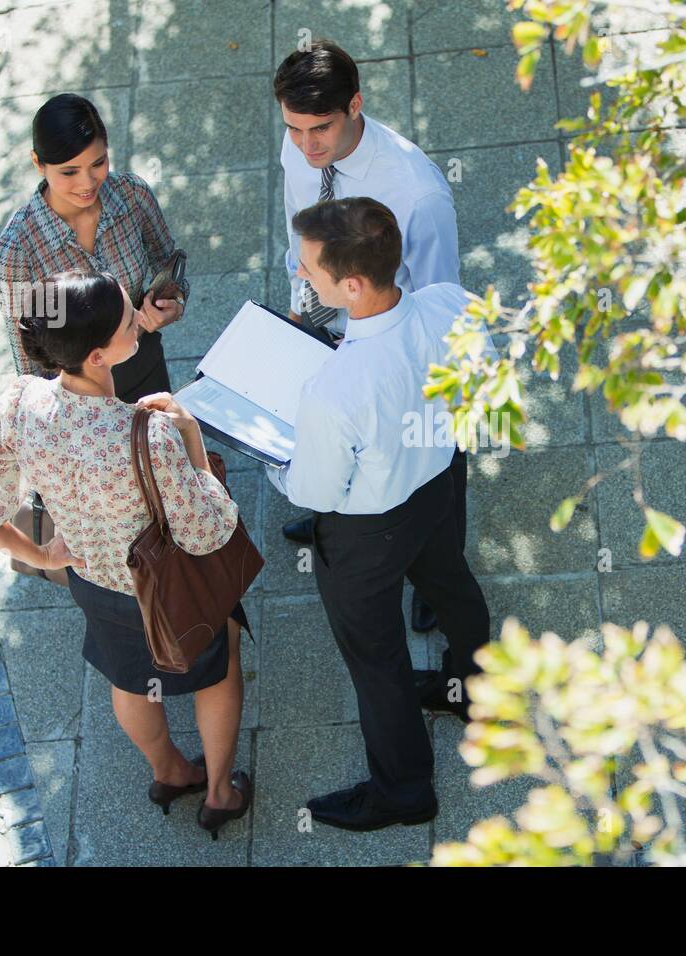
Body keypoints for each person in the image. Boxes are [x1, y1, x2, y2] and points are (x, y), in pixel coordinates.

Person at [0, 271, 251, 840]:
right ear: (100, 355)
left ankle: (170, 773)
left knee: (131, 678)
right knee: (218, 665)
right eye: (131, 321)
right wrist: (192, 440)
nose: (140, 324)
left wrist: (41, 555)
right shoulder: (149, 435)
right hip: (169, 587)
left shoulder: (22, 402)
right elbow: (208, 530)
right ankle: (220, 793)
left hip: (94, 584)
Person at [266, 198, 492, 832]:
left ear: (352, 286)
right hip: (438, 485)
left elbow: (315, 490)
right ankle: (474, 690)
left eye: (310, 267)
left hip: (367, 531)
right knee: (452, 585)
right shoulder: (451, 303)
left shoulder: (333, 390)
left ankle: (403, 791)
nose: (300, 273)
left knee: (377, 657)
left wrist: (276, 461)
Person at [272, 40, 467, 637]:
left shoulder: (416, 192)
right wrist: (302, 307)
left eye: (320, 129)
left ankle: (437, 573)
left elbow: (438, 294)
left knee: (432, 464)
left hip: (391, 343)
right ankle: (333, 511)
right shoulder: (299, 147)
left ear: (354, 105)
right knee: (333, 434)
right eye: (294, 128)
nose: (306, 146)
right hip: (323, 319)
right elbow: (298, 232)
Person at [0, 93, 188, 404]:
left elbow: (171, 269)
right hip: (76, 402)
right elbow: (28, 366)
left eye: (98, 163)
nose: (87, 183)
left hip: (143, 365)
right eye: (69, 171)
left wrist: (174, 303)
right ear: (38, 164)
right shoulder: (17, 250)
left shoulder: (133, 195)